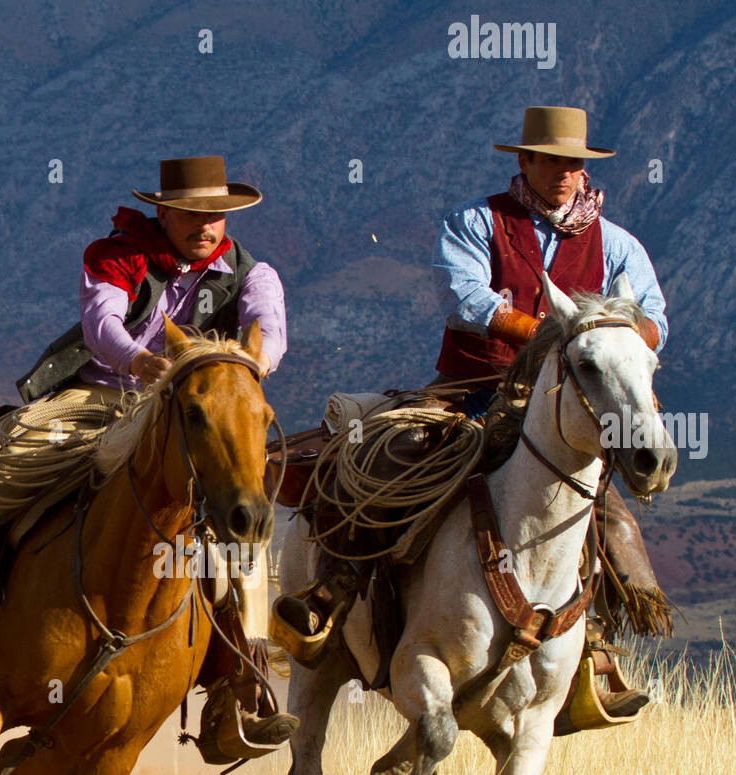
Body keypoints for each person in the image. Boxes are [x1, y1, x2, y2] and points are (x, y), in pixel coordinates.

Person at [0, 155, 295, 757]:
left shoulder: (255, 275)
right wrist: (142, 362)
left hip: (190, 416)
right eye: (192, 213)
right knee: (6, 459)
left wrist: (245, 367)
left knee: (242, 532)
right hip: (101, 396)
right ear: (163, 211)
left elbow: (268, 332)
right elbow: (103, 326)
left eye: (217, 214)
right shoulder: (115, 254)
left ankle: (239, 691)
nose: (207, 224)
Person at [273, 107, 672, 721]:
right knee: (391, 461)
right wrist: (546, 333)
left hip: (569, 401)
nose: (565, 172)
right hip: (471, 387)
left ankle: (591, 644)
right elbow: (465, 299)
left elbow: (653, 322)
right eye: (552, 160)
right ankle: (336, 590)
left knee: (603, 509)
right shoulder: (477, 222)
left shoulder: (616, 245)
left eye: (574, 163)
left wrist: (609, 334)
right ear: (525, 162)